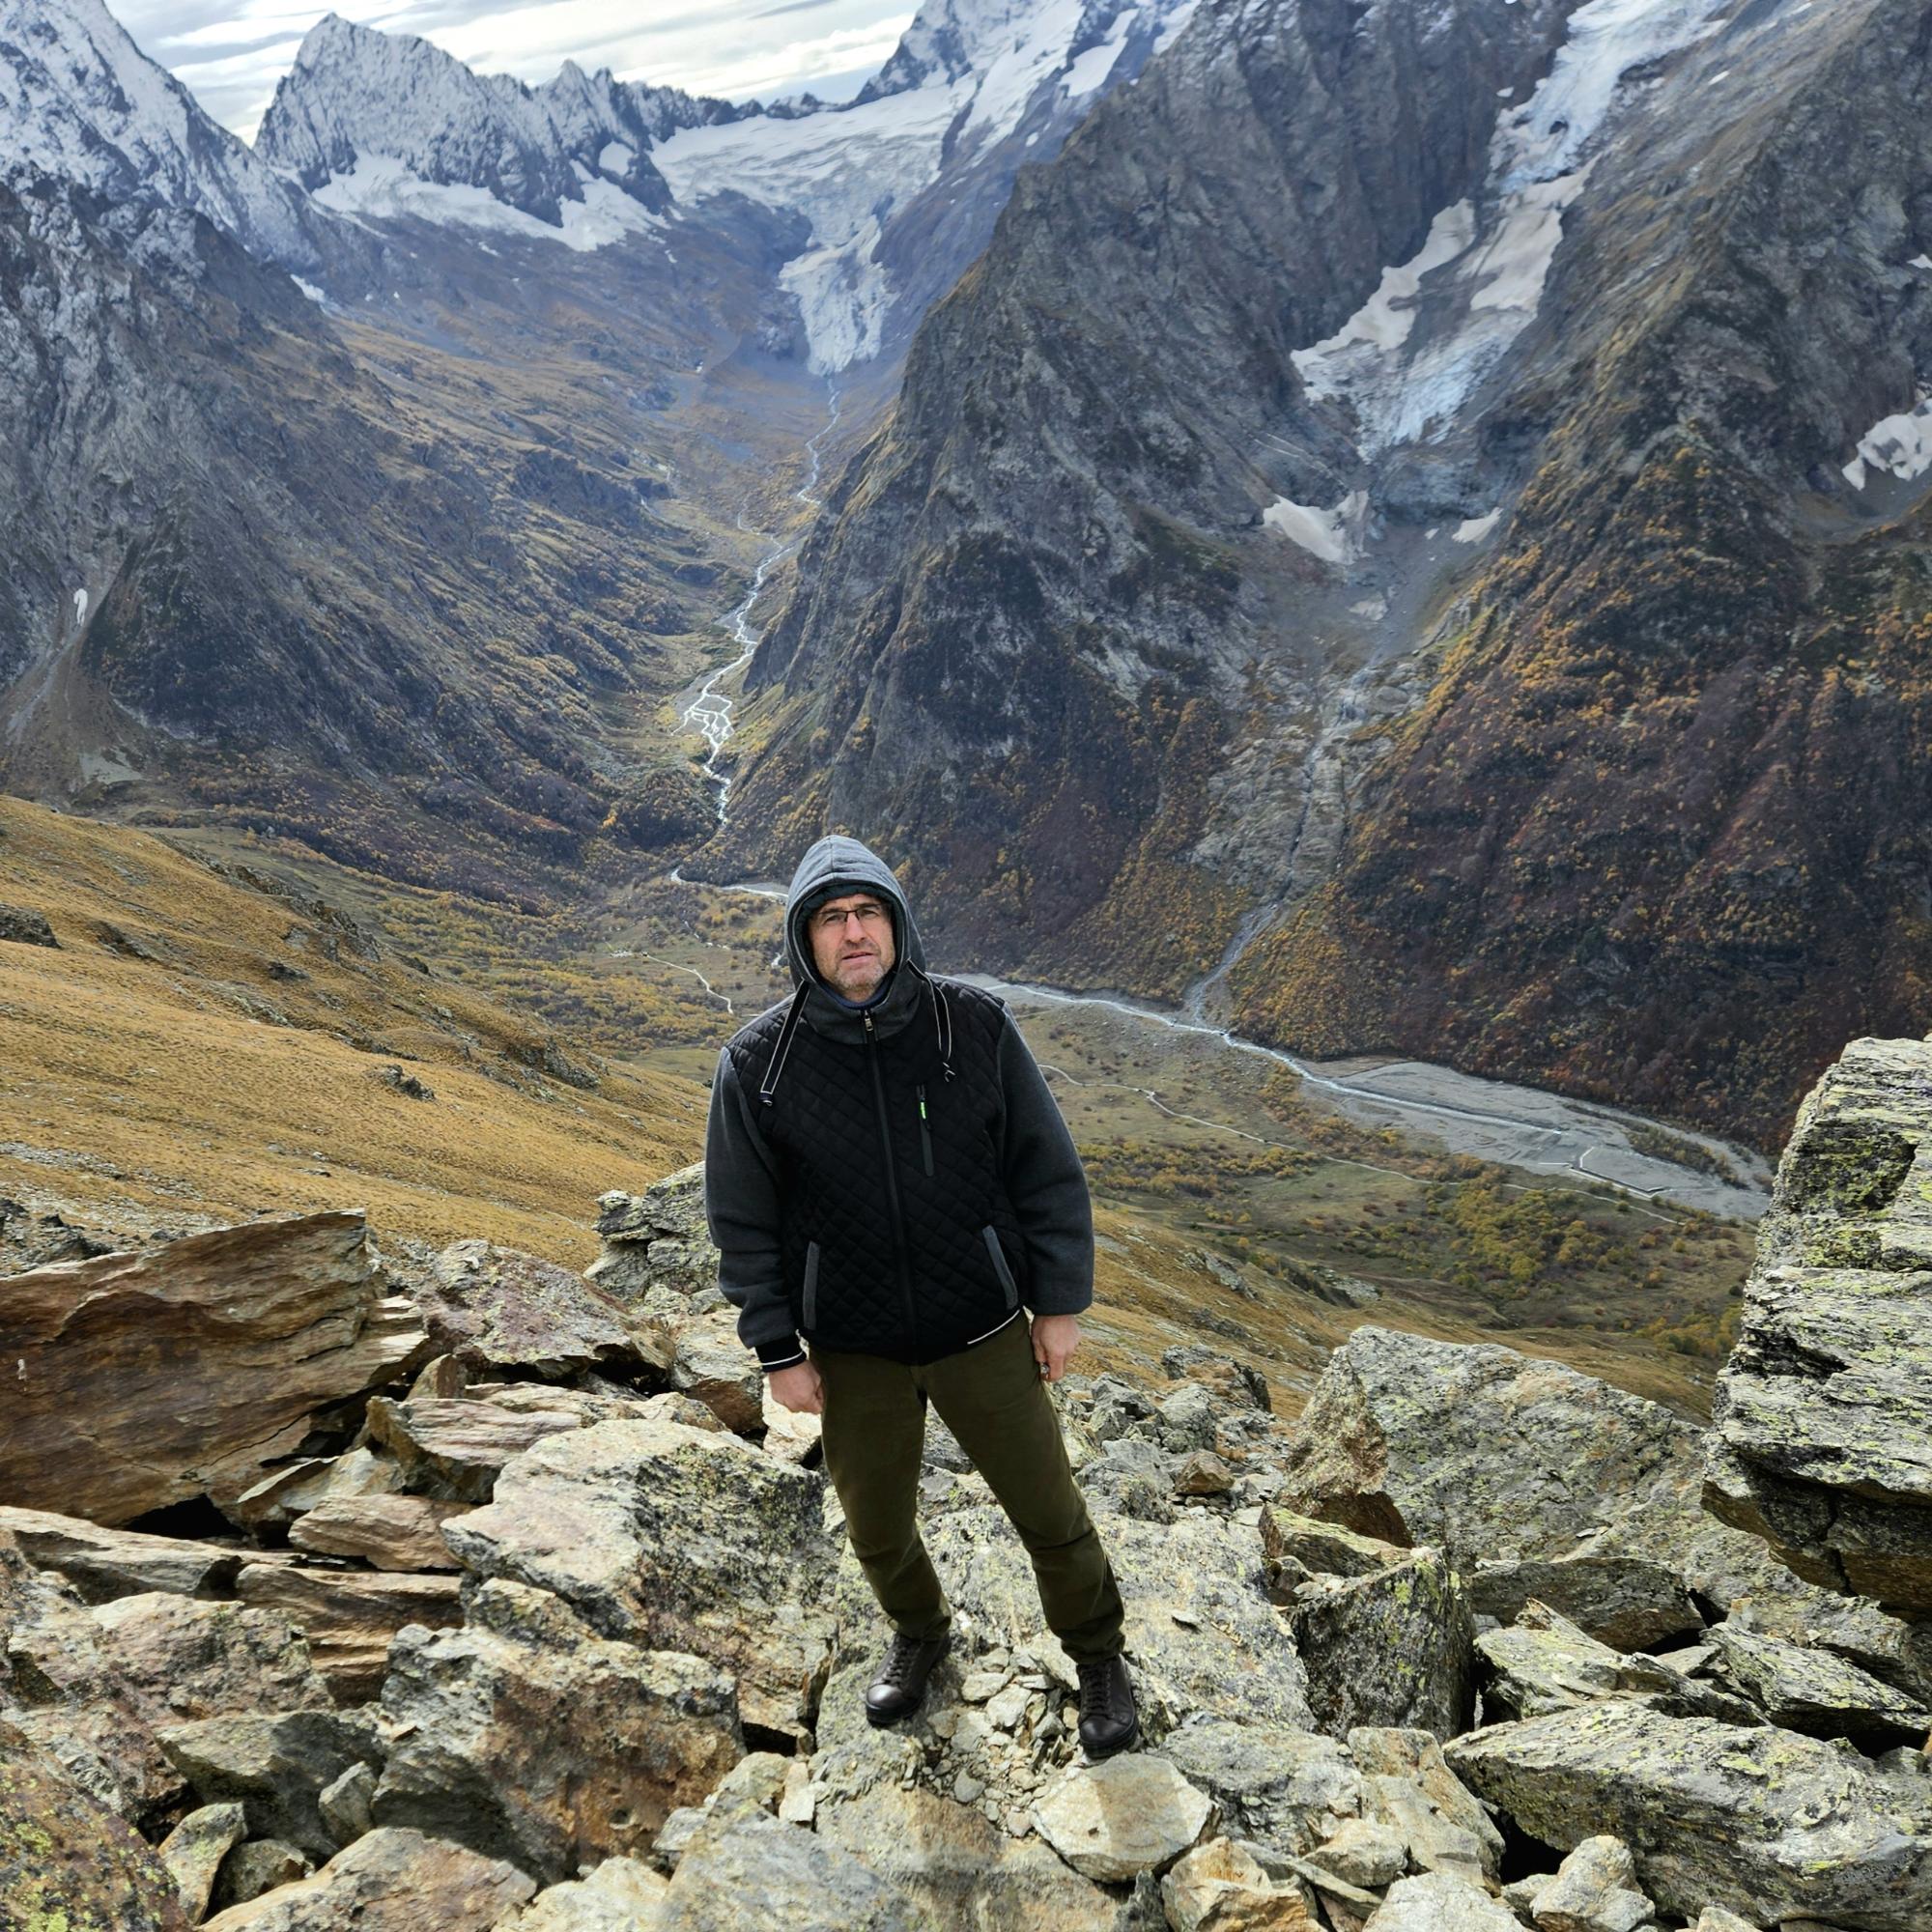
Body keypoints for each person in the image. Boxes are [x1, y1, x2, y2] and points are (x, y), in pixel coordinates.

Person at [702, 833, 1138, 1755]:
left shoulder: (971, 1027)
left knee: (1048, 1510)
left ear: (897, 927)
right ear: (804, 940)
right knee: (877, 1524)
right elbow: (742, 1220)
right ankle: (921, 1633)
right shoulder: (759, 1066)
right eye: (832, 918)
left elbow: (1045, 1170)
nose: (854, 932)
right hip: (851, 1349)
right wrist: (777, 1350)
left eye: (869, 914)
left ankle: (1098, 1654)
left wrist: (1057, 1304)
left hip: (980, 1327)